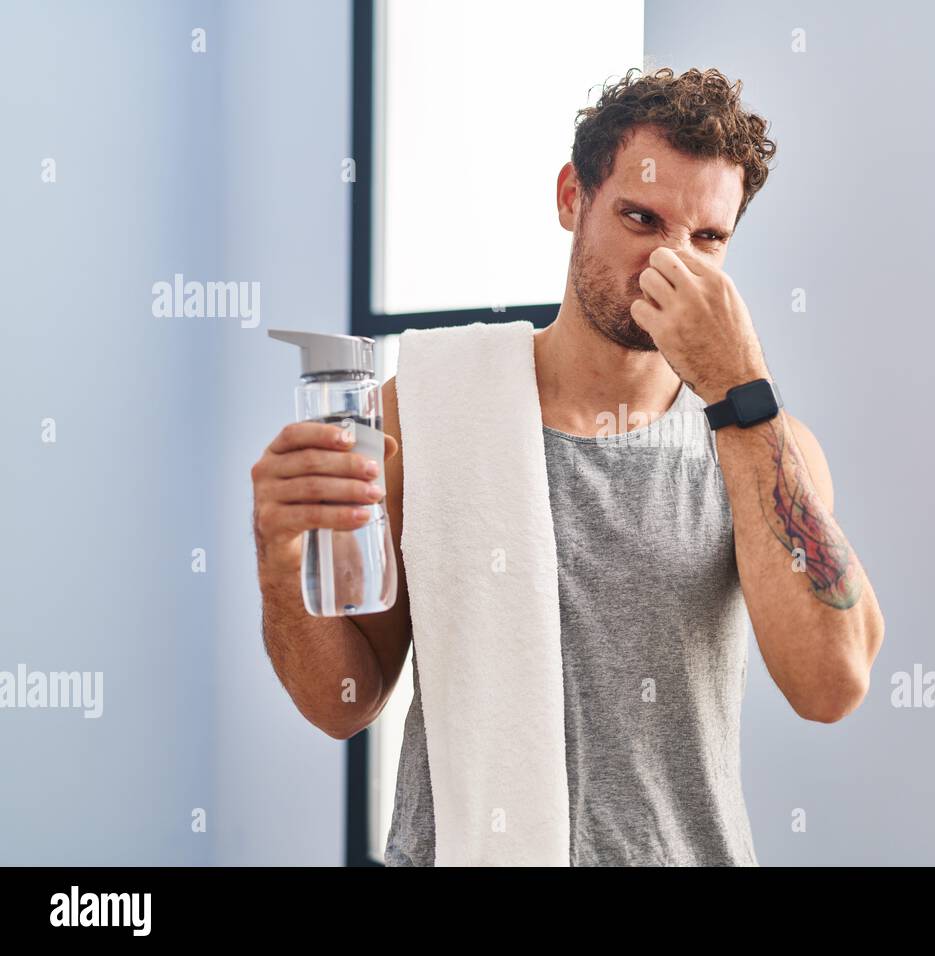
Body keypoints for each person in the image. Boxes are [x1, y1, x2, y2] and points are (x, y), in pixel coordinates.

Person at [250, 66, 885, 866]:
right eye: (641, 218)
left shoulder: (758, 444)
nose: (672, 265)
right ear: (570, 198)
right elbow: (343, 702)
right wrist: (280, 561)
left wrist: (738, 389)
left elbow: (832, 686)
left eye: (707, 238)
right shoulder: (430, 409)